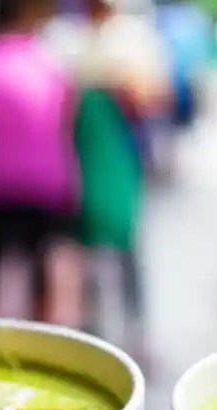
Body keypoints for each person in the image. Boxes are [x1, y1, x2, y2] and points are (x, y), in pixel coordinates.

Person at [0, 0, 83, 324]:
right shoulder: (50, 61)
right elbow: (67, 120)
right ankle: (55, 337)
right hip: (48, 181)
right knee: (49, 264)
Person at [46, 0, 167, 349]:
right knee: (86, 247)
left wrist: (124, 87)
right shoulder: (66, 38)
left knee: (126, 243)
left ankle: (136, 332)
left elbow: (153, 96)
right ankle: (95, 334)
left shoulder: (132, 36)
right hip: (82, 154)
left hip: (118, 151)